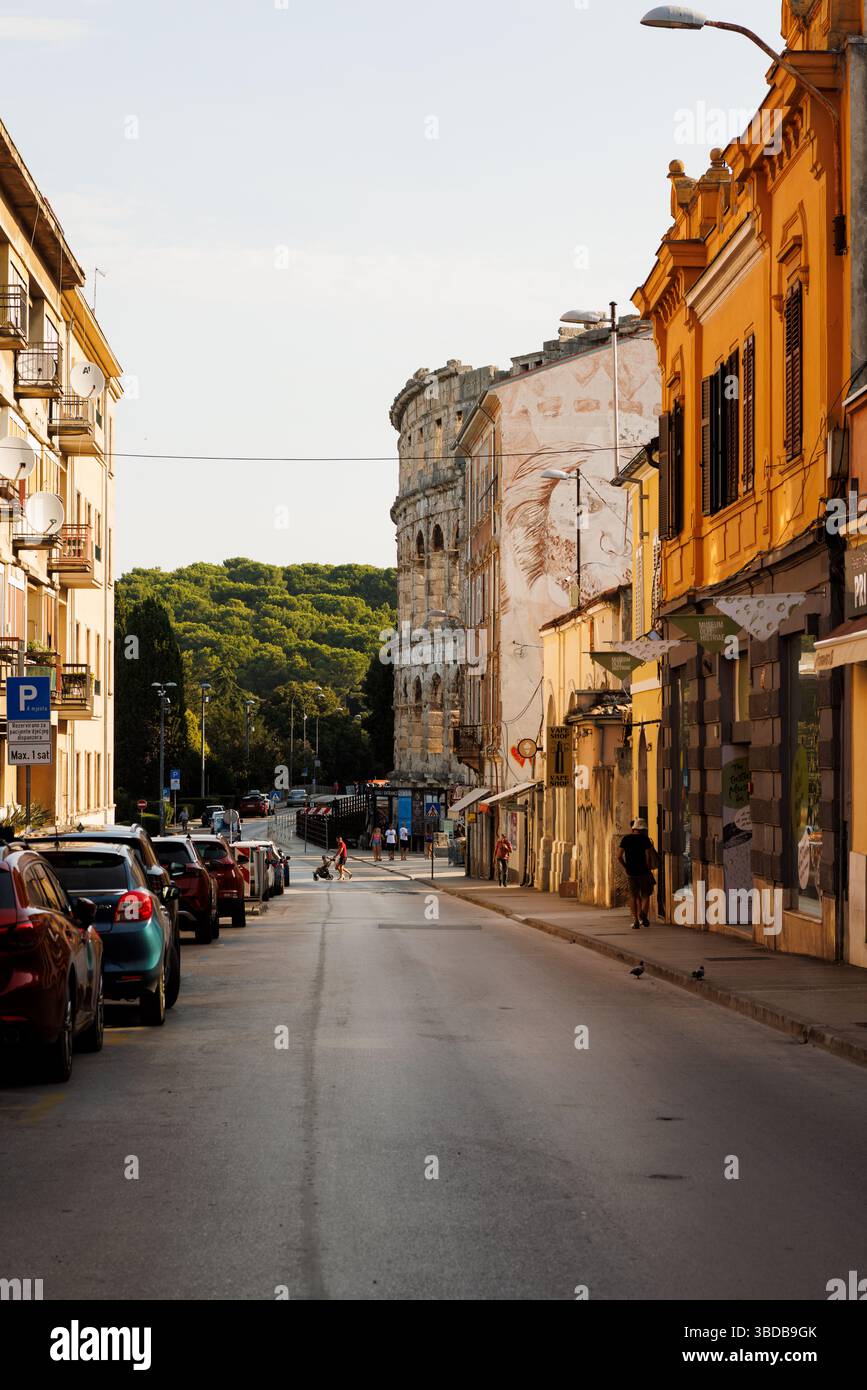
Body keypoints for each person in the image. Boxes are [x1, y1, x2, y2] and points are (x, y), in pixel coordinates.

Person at [618, 817, 657, 929]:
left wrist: (626, 867)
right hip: (643, 871)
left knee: (633, 896)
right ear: (643, 829)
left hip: (631, 872)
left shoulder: (626, 839)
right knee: (645, 895)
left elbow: (619, 856)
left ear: (633, 828)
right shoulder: (645, 840)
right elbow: (648, 856)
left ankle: (635, 920)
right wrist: (648, 869)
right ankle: (643, 914)